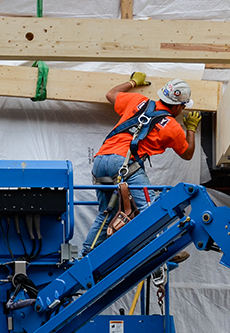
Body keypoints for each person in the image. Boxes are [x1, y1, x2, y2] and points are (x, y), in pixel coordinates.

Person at [82, 72, 201, 255]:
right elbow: (187, 154)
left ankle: (85, 255)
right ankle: (163, 247)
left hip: (100, 161)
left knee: (106, 213)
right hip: (125, 164)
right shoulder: (172, 127)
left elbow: (110, 94)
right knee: (151, 209)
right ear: (178, 107)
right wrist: (191, 129)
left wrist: (133, 82)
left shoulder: (138, 100)